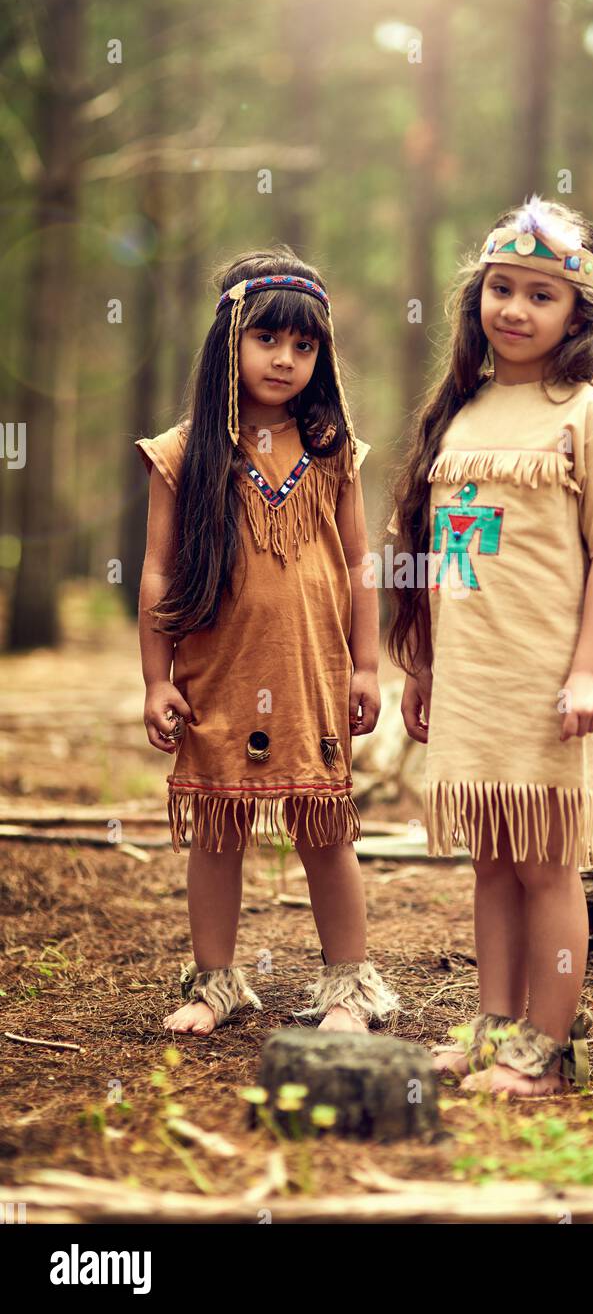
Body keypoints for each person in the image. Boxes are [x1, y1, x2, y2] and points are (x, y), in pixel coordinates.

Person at [386, 196, 593, 1096]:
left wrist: (590, 673)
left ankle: (547, 1047)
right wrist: (424, 664)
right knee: (493, 859)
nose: (515, 308)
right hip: (473, 678)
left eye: (541, 295)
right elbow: (446, 559)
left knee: (545, 862)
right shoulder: (459, 414)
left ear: (578, 314)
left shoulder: (590, 412)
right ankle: (495, 1026)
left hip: (549, 682)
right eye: (500, 288)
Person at [135, 248, 399, 1037]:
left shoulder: (331, 452)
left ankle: (348, 988)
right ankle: (214, 984)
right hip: (217, 671)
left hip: (313, 672)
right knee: (218, 831)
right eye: (267, 340)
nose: (286, 359)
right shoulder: (183, 453)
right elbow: (154, 570)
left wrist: (368, 664)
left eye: (305, 346)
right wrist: (156, 680)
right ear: (230, 343)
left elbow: (358, 562)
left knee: (325, 830)